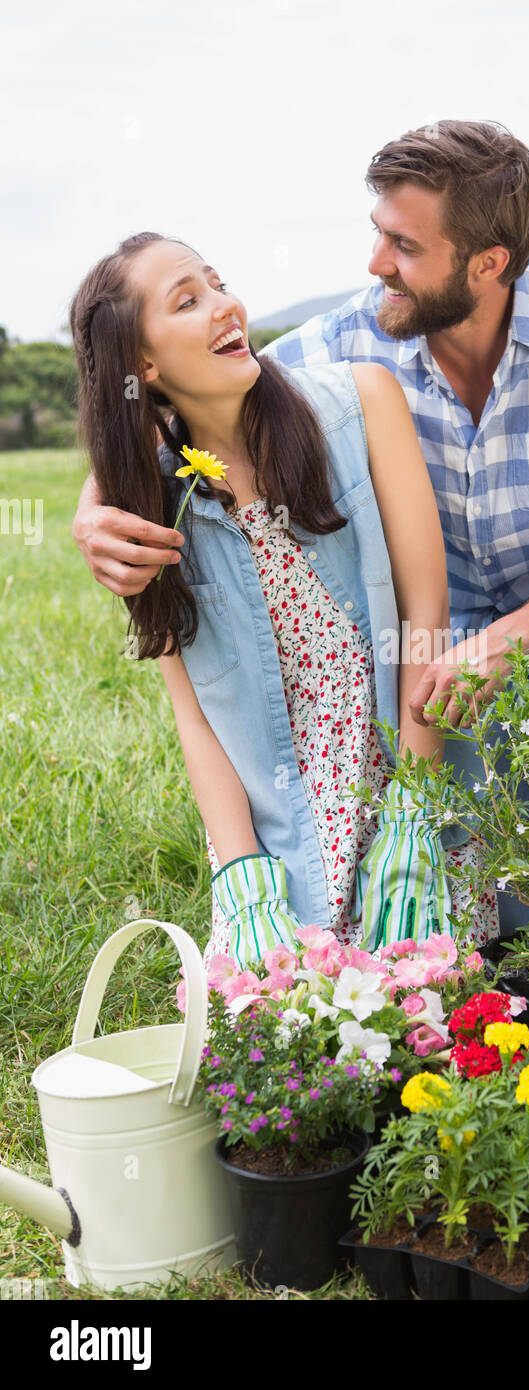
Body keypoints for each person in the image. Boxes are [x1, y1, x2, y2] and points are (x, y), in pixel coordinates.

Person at [71, 119, 529, 933]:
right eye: (377, 234)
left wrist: (511, 640)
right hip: (422, 656)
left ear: (487, 264)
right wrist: (96, 503)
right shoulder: (349, 340)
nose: (376, 263)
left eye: (404, 245)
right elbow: (202, 397)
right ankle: (483, 902)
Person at [67, 231, 500, 969]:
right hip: (281, 825)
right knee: (283, 1030)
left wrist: (414, 811)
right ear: (143, 363)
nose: (224, 306)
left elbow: (425, 616)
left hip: (401, 775)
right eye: (187, 300)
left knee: (428, 1008)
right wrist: (242, 874)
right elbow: (194, 712)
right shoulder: (149, 512)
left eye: (217, 283)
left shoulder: (361, 402)